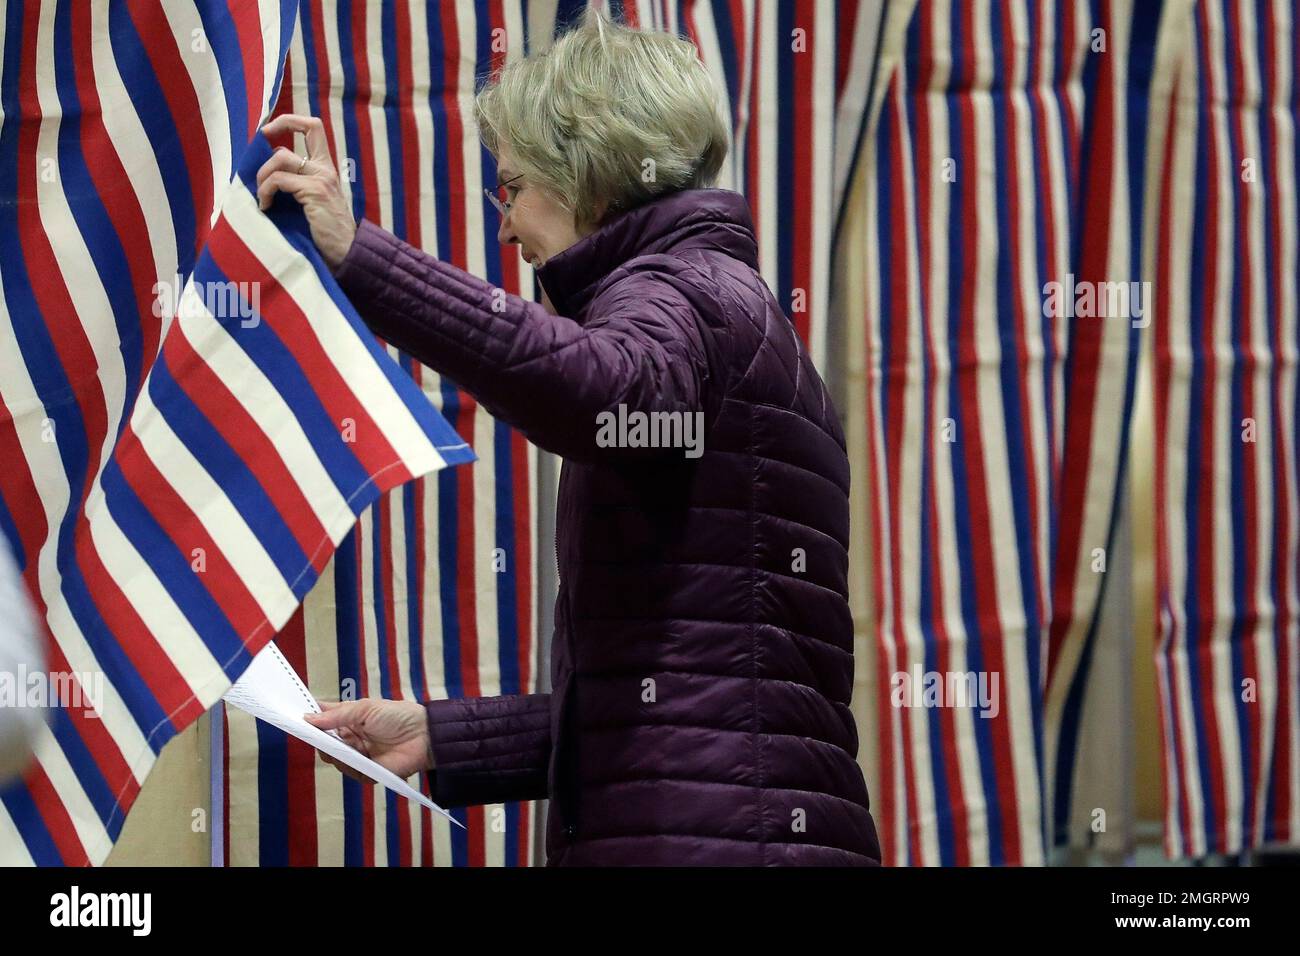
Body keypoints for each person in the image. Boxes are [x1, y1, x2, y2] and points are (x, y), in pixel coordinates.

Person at [255, 7, 880, 866]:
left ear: (588, 173)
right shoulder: (726, 301)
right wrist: (442, 735)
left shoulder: (684, 292)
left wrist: (360, 254)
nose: (504, 226)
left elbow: (595, 388)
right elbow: (687, 702)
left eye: (511, 187)